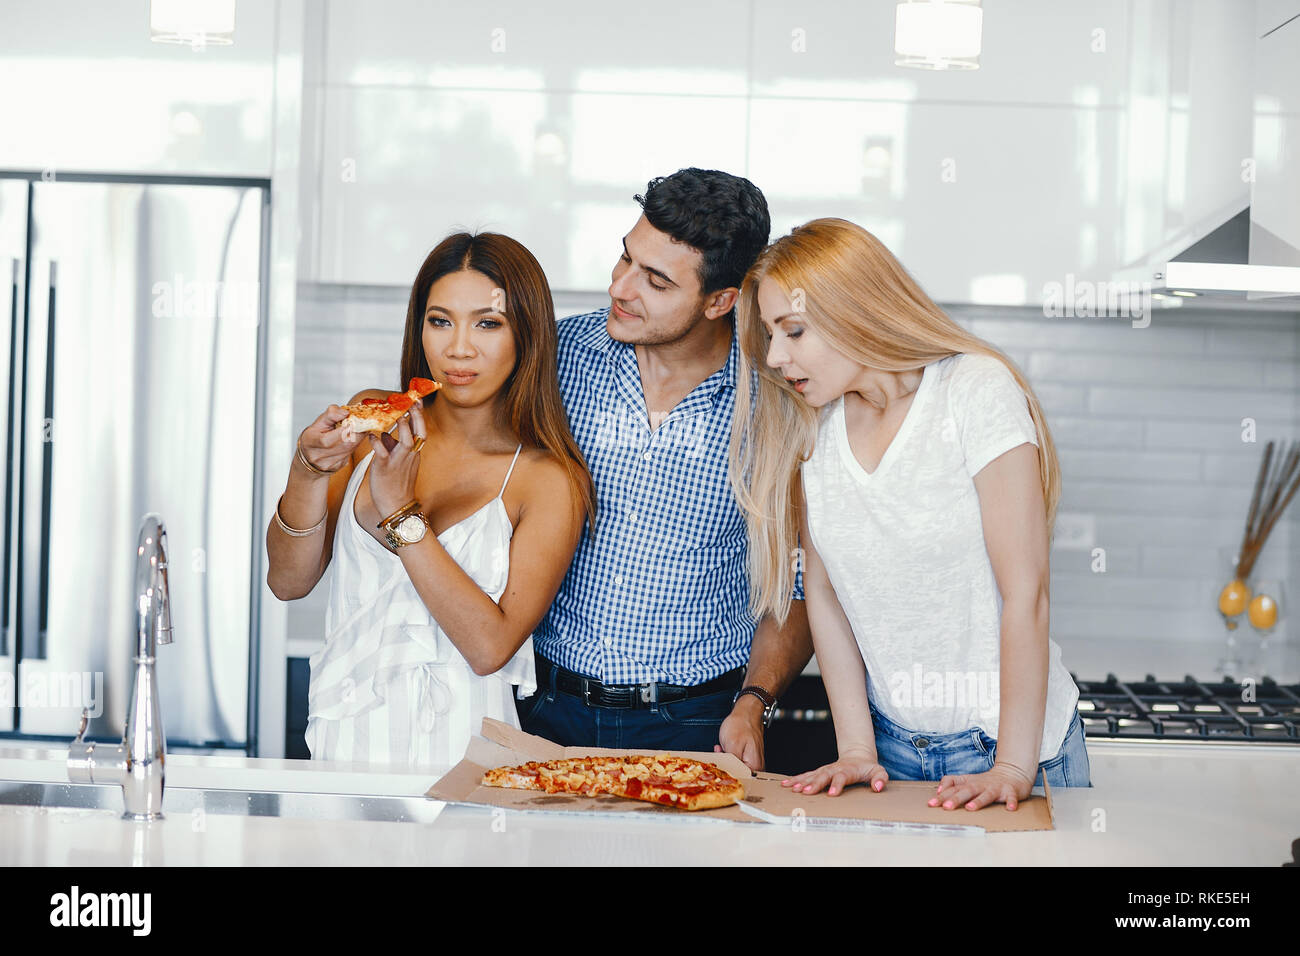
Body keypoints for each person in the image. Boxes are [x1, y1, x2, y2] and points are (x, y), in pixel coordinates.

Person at [730, 217, 1089, 811]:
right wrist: (855, 750)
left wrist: (1014, 766)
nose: (774, 356)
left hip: (1010, 749)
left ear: (855, 310)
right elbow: (826, 596)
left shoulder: (974, 391)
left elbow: (1028, 593)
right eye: (770, 335)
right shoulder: (814, 429)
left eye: (793, 331)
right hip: (894, 753)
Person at [517, 168, 813, 768]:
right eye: (624, 260)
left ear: (720, 301)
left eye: (654, 280)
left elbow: (800, 585)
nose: (620, 289)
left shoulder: (780, 404)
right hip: (543, 710)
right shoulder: (556, 357)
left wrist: (754, 704)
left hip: (696, 722)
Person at [267, 232, 593, 768]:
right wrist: (307, 471)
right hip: (341, 755)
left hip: (466, 768)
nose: (458, 348)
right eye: (440, 320)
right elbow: (287, 582)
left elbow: (490, 648)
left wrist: (401, 516)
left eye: (487, 323)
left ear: (526, 336)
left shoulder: (547, 479)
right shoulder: (374, 418)